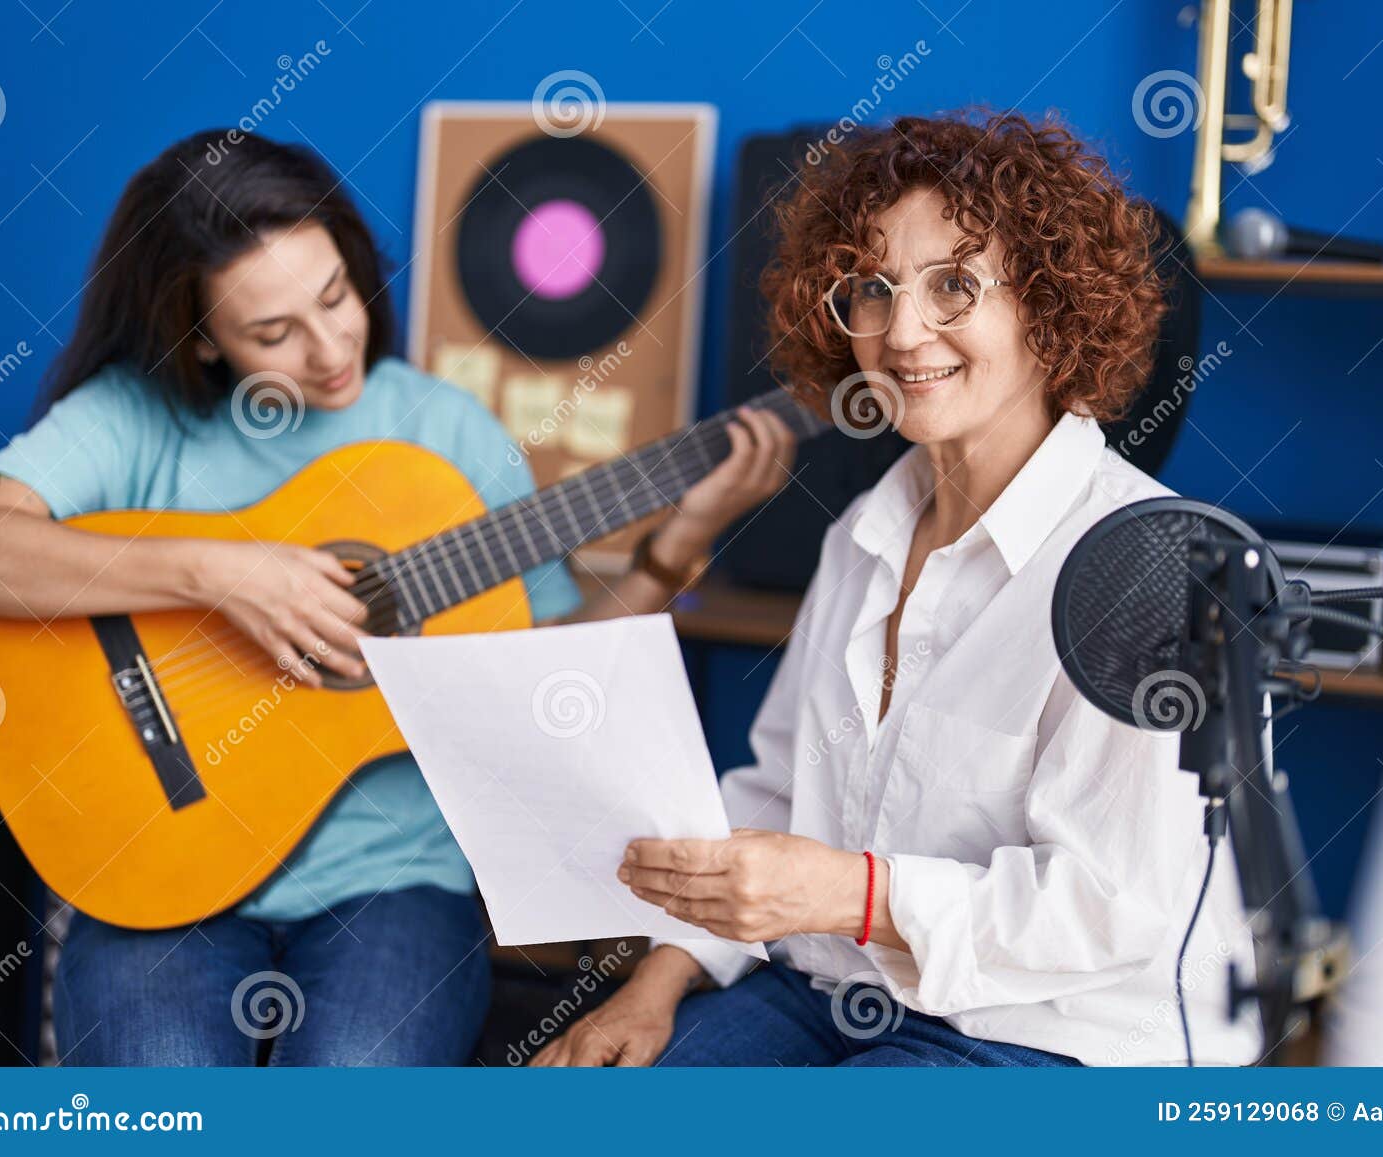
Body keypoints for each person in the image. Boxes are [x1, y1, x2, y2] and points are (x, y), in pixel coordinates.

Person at [0, 130, 795, 1066]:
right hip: (156, 874)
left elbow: (549, 678)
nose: (332, 345)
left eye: (335, 295)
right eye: (271, 332)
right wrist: (223, 574)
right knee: (159, 1090)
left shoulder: (442, 430)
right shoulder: (138, 415)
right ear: (200, 334)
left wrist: (675, 547)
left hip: (396, 883)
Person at [533, 110, 1262, 1068]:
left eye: (954, 285)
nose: (903, 333)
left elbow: (1110, 904)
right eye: (872, 290)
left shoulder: (1146, 571)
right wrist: (655, 984)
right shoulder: (864, 535)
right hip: (835, 982)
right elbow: (775, 786)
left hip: (1054, 1032)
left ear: (1050, 307)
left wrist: (853, 895)